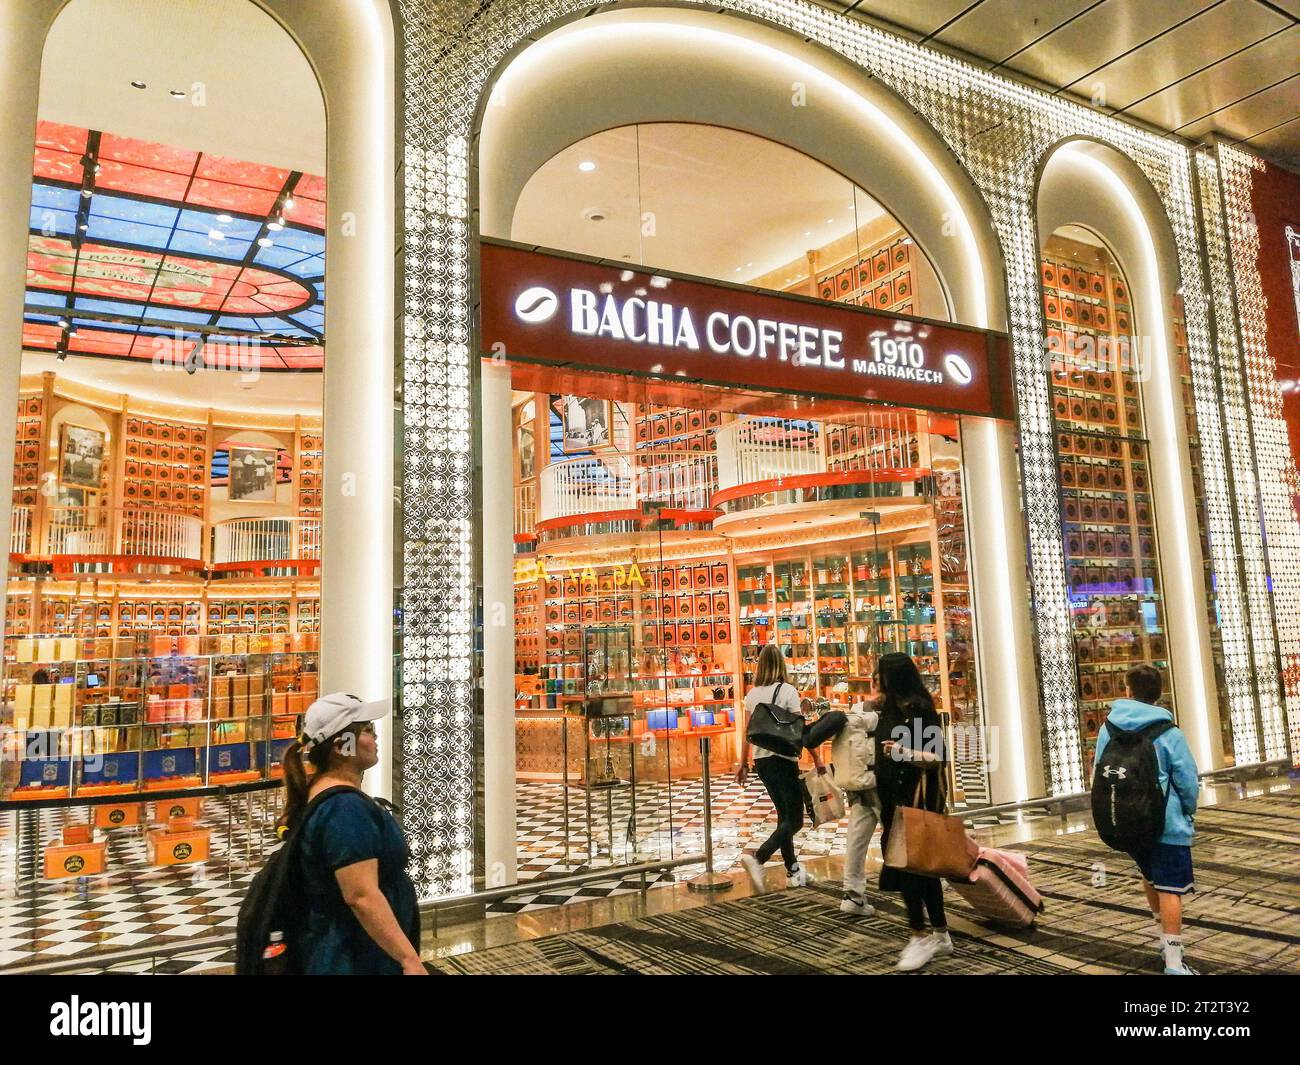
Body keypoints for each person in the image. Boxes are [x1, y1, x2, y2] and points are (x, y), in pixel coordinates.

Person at [277, 692, 426, 975]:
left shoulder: (325, 796)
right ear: (341, 745)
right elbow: (361, 895)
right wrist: (409, 960)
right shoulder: (345, 809)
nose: (376, 737)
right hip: (354, 957)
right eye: (367, 730)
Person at [1093, 664, 1199, 976]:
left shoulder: (1108, 728)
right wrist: (1189, 810)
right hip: (1166, 824)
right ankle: (1174, 963)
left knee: (1151, 877)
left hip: (1131, 821)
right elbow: (1187, 780)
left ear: (1128, 691)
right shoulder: (1169, 732)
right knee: (1171, 889)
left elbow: (1100, 771)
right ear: (1159, 693)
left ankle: (1165, 940)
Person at [874, 652, 951, 972]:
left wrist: (901, 752)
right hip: (896, 800)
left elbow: (937, 757)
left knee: (910, 866)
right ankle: (940, 932)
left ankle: (920, 933)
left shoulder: (917, 709)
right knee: (920, 866)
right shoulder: (893, 706)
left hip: (914, 802)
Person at [736, 643, 825, 892]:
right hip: (784, 760)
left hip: (761, 761)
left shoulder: (753, 694)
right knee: (795, 820)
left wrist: (743, 763)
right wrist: (816, 758)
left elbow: (747, 733)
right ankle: (759, 858)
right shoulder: (788, 691)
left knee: (783, 815)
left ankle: (793, 868)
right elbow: (800, 730)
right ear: (781, 664)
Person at [830, 694, 882, 917]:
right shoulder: (891, 712)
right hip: (879, 781)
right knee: (900, 835)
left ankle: (852, 895)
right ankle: (926, 884)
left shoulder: (859, 709)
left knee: (857, 837)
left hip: (858, 780)